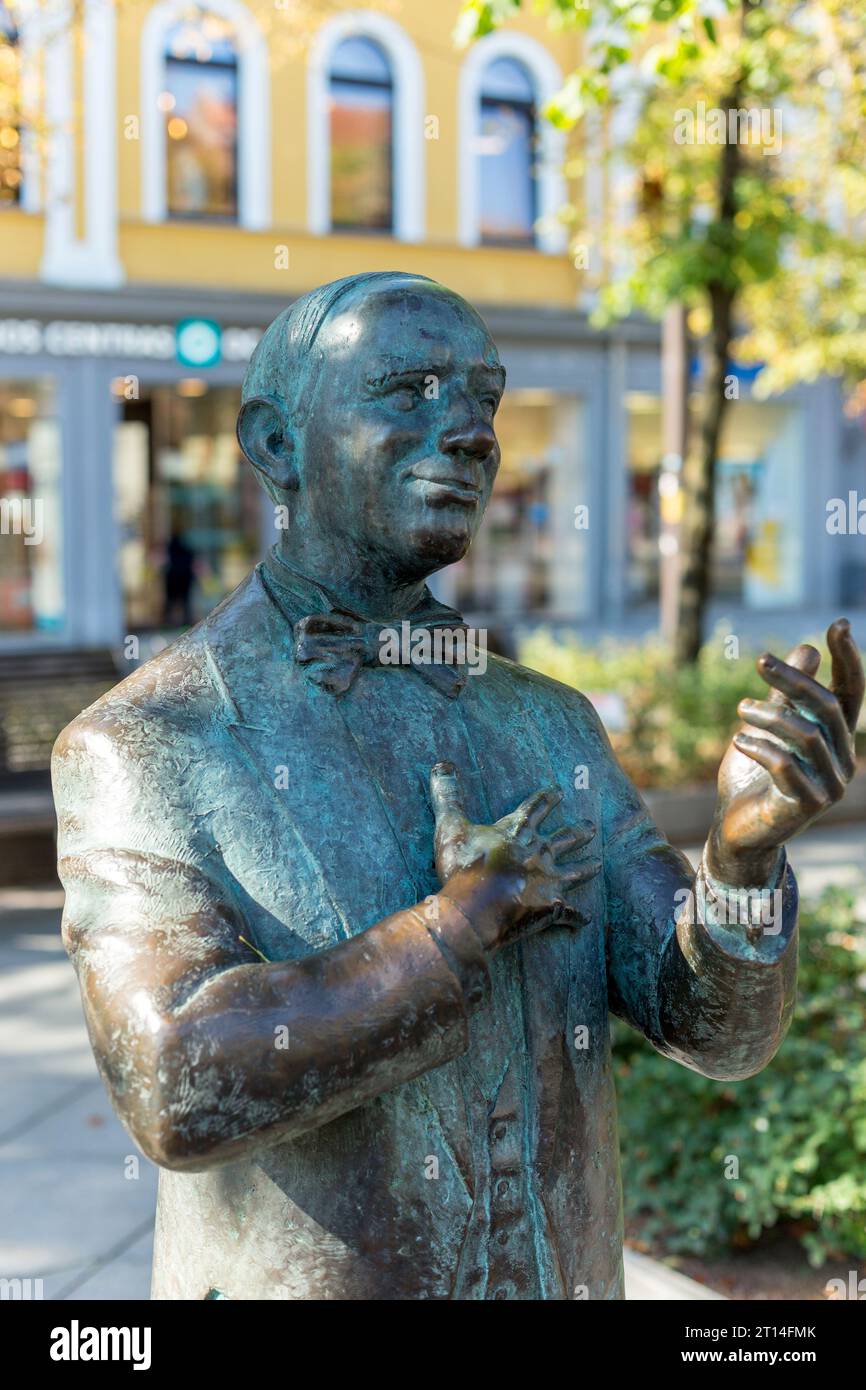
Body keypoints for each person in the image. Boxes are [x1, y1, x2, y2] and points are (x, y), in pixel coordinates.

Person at [53, 272, 863, 1300]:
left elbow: (716, 1033)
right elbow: (174, 1081)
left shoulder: (546, 721)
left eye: (483, 398)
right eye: (410, 390)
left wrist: (741, 857)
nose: (473, 431)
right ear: (274, 445)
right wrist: (450, 932)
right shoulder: (148, 742)